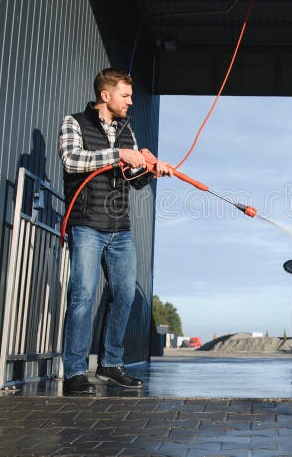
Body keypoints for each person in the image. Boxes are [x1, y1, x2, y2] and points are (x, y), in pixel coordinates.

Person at [58, 68, 172, 395]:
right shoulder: (74, 123)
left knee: (124, 295)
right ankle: (76, 372)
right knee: (82, 295)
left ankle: (110, 362)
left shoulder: (127, 130)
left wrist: (151, 170)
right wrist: (119, 154)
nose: (131, 102)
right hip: (86, 224)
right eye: (126, 95)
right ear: (105, 96)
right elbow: (72, 161)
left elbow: (133, 179)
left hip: (119, 228)